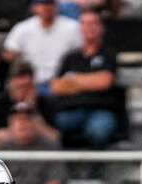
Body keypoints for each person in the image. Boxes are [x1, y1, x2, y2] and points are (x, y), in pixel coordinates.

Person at [48, 7, 119, 148]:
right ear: (80, 28)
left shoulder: (108, 54)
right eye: (85, 24)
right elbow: (56, 87)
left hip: (101, 109)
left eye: (93, 23)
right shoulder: (70, 57)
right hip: (70, 109)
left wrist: (72, 80)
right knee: (54, 129)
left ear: (101, 28)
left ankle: (96, 168)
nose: (89, 28)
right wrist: (90, 81)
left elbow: (104, 82)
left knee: (98, 131)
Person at [3, 0, 81, 86]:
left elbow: (84, 52)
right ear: (34, 7)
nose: (46, 7)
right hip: (31, 83)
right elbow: (9, 53)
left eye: (49, 4)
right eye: (42, 4)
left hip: (63, 82)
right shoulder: (22, 28)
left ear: (57, 6)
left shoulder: (73, 27)